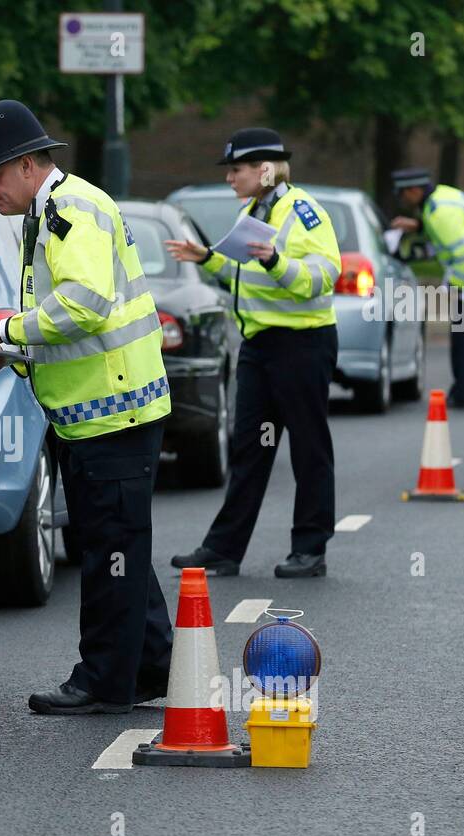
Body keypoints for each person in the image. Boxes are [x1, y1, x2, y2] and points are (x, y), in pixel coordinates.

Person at [0, 99, 173, 714]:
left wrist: (7, 332)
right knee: (119, 545)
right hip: (101, 411)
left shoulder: (68, 210)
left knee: (110, 555)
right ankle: (152, 664)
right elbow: (75, 330)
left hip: (112, 413)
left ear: (27, 165)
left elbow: (83, 306)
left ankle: (104, 682)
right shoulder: (52, 211)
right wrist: (12, 353)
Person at [166, 128, 339, 579]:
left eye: (235, 169)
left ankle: (310, 548)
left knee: (308, 449)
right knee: (249, 450)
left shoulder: (302, 211)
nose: (229, 178)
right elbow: (245, 271)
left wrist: (276, 262)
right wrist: (207, 258)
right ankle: (224, 550)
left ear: (264, 169)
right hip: (260, 346)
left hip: (302, 345)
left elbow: (325, 276)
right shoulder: (255, 209)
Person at [390, 167, 464, 409]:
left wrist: (451, 287)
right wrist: (418, 226)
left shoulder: (439, 213)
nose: (401, 200)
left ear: (415, 191)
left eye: (402, 194)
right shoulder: (441, 198)